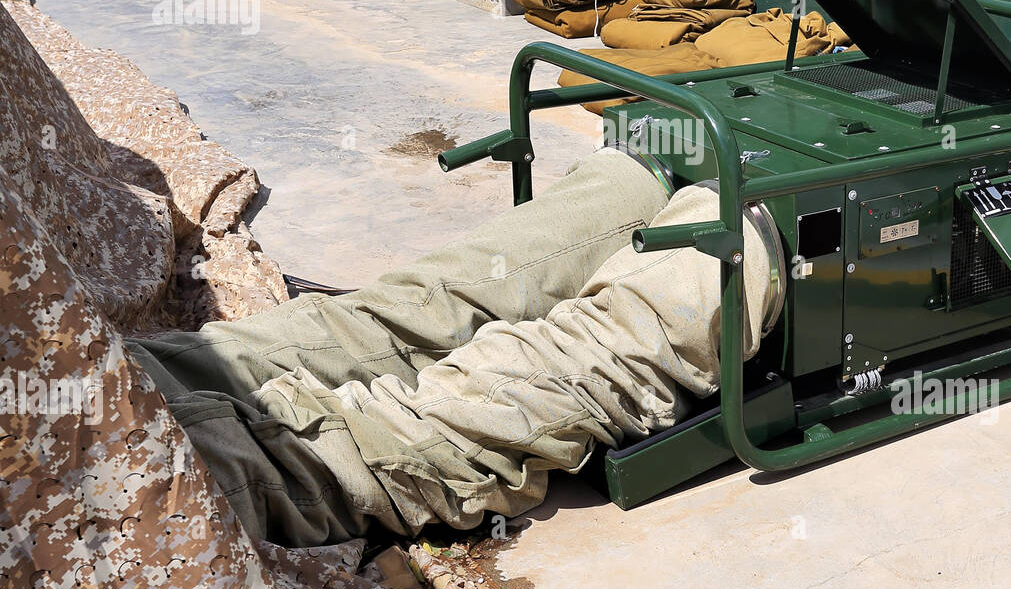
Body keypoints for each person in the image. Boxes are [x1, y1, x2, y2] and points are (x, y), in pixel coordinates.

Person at [127, 148, 781, 547]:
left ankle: (642, 194)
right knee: (440, 418)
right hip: (110, 520)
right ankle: (724, 238)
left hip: (68, 429)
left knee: (395, 317)